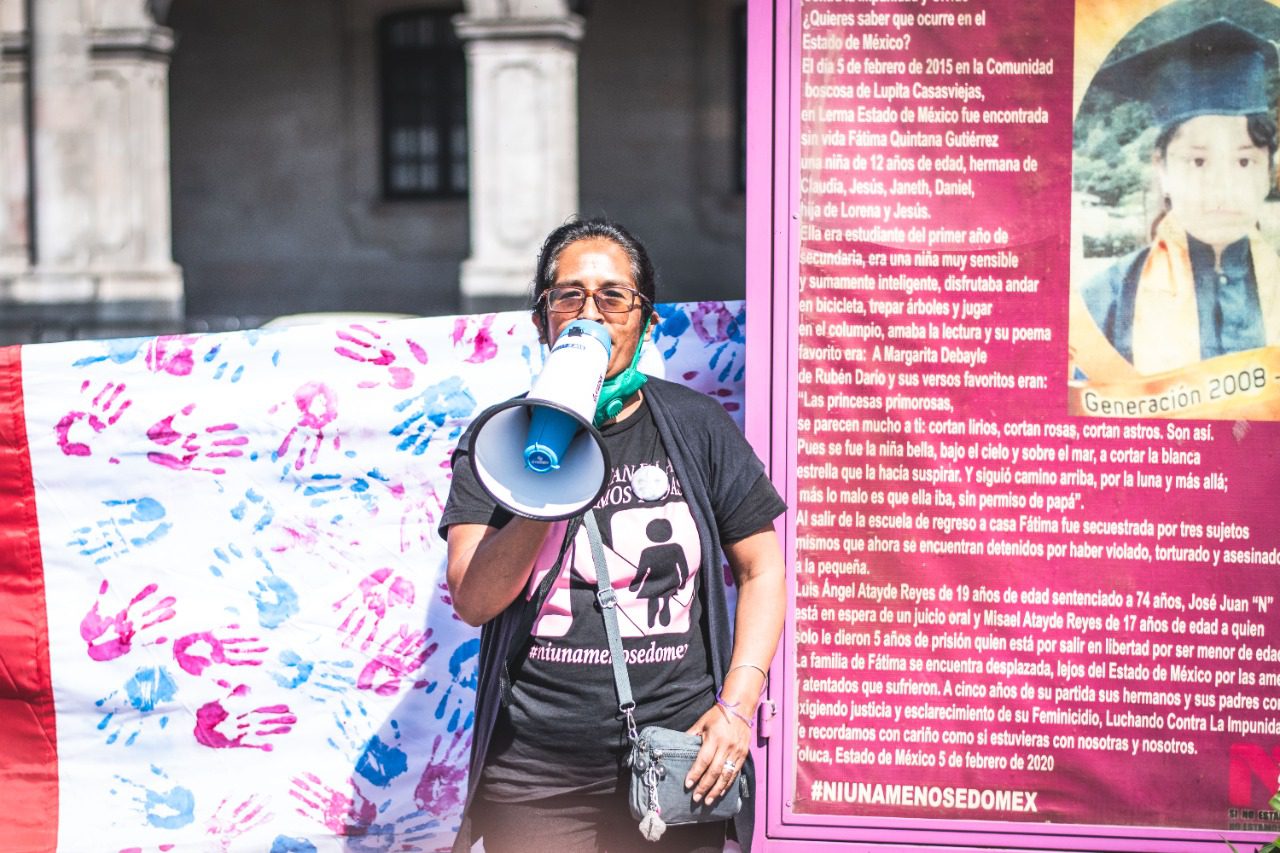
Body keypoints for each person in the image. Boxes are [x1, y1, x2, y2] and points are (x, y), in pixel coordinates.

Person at [440, 218, 786, 852]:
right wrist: (543, 472)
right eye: (568, 295)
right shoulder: (499, 438)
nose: (589, 312)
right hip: (536, 780)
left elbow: (762, 569)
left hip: (677, 763)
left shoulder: (695, 426)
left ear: (644, 319)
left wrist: (738, 707)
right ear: (543, 318)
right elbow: (473, 600)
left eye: (612, 295)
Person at [1081, 16, 1280, 375]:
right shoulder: (1106, 300)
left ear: (1269, 173)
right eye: (1199, 160)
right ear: (1162, 169)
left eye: (1245, 160)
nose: (1224, 187)